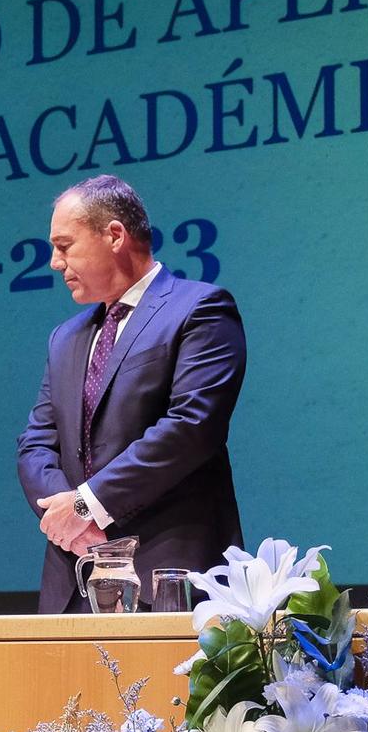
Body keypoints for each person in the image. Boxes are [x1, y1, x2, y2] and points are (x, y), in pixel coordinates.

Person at [17, 174, 248, 613]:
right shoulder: (64, 338)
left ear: (115, 235)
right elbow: (36, 443)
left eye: (64, 246)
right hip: (75, 579)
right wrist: (70, 521)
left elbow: (191, 427)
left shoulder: (199, 309)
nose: (53, 262)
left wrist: (86, 505)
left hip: (167, 576)